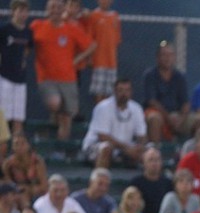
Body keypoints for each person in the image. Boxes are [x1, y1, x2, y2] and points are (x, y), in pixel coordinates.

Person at [30, 0, 95, 141]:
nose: (55, 10)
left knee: (65, 119)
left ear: (63, 10)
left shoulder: (71, 29)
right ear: (47, 10)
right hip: (47, 79)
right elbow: (25, 41)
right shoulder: (37, 26)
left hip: (68, 79)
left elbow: (90, 46)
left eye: (58, 7)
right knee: (55, 103)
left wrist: (77, 60)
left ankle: (57, 149)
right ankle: (45, 138)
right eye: (52, 7)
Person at [82, 78, 146, 169]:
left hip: (124, 148)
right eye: (120, 90)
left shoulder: (137, 108)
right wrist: (127, 148)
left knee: (150, 151)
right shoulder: (103, 107)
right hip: (96, 146)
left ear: (131, 92)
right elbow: (102, 137)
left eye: (127, 90)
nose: (124, 94)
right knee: (106, 148)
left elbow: (142, 135)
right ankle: (100, 179)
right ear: (114, 91)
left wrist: (139, 147)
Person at [143, 40, 191, 142]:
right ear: (157, 57)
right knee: (154, 118)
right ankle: (155, 152)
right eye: (164, 55)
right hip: (158, 113)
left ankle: (193, 154)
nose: (167, 58)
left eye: (170, 55)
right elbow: (152, 102)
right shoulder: (150, 75)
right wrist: (168, 117)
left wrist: (181, 119)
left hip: (177, 116)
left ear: (174, 57)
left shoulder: (180, 76)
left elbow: (186, 103)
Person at [0, 0, 33, 139]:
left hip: (20, 80)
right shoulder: (5, 29)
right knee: (4, 117)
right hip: (5, 78)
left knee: (18, 117)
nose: (23, 14)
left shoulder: (28, 32)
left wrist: (23, 61)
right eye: (20, 10)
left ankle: (15, 149)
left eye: (25, 11)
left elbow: (27, 48)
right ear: (13, 11)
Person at [84, 0, 121, 103]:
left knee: (110, 92)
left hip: (112, 62)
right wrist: (90, 58)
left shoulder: (115, 16)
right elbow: (89, 38)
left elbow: (117, 40)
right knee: (98, 92)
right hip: (99, 60)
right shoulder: (93, 16)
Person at [128, 147, 173, 213]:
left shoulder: (168, 183)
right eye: (151, 160)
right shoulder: (135, 183)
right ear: (144, 163)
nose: (154, 163)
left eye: (157, 160)